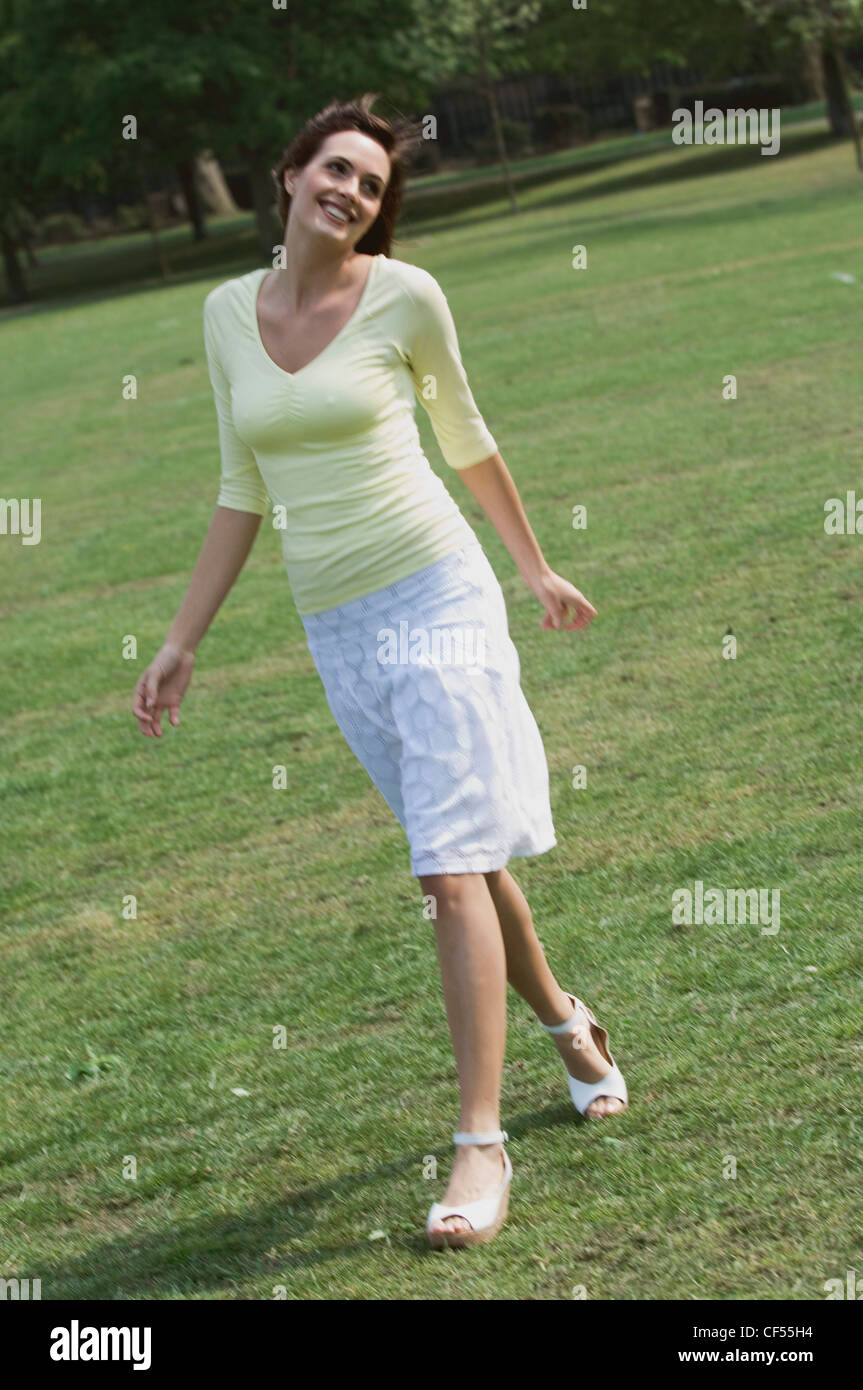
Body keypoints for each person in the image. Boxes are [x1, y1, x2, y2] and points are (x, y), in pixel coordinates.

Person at [132, 94, 628, 1251]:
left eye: (371, 185)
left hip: (437, 591)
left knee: (449, 863)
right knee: (449, 856)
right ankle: (564, 1022)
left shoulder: (404, 297)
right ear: (289, 174)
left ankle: (477, 1143)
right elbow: (238, 482)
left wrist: (534, 568)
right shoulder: (222, 313)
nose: (351, 192)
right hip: (337, 622)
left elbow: (463, 431)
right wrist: (181, 637)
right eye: (335, 170)